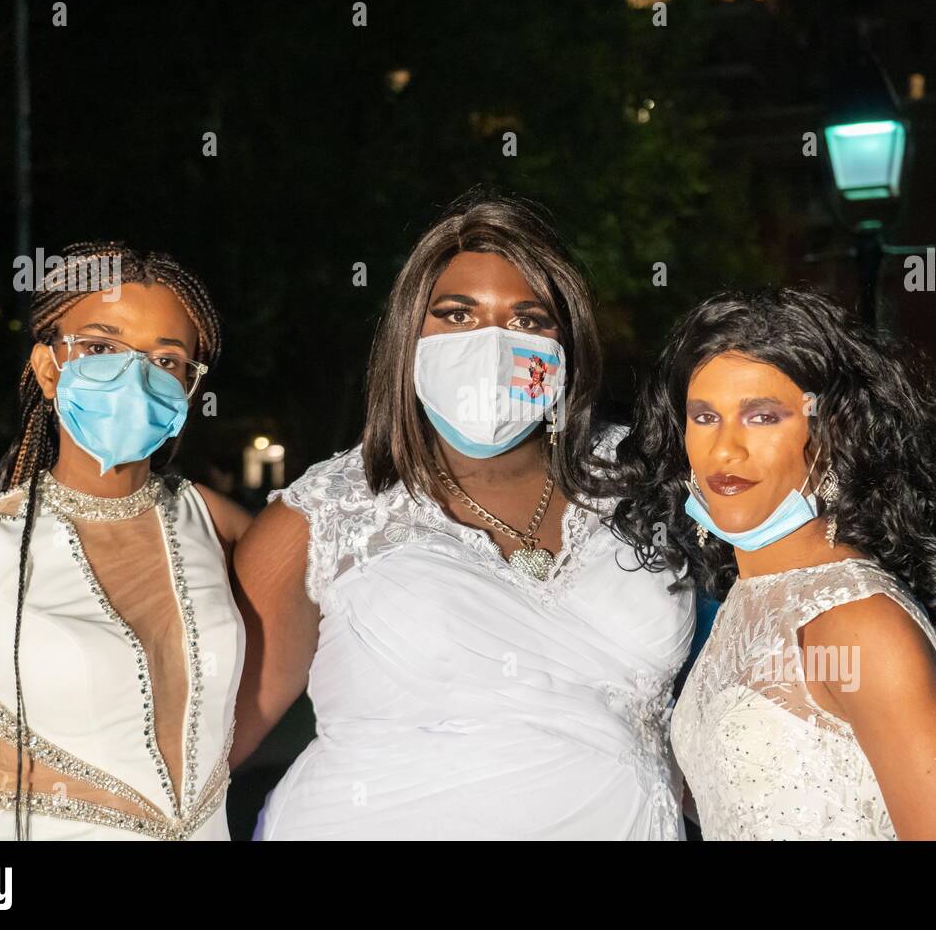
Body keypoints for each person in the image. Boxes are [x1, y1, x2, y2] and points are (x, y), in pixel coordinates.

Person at [231, 189, 695, 839]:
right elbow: (199, 752)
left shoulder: (651, 479)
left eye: (529, 318)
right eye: (457, 314)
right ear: (407, 337)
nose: (494, 343)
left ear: (569, 344)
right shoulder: (326, 512)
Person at [0, 243, 251, 840]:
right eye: (100, 347)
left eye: (166, 360)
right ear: (49, 369)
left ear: (190, 386)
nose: (134, 375)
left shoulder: (219, 526)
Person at [609, 286, 936, 839]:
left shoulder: (861, 622)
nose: (726, 449)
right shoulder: (747, 597)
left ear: (833, 436)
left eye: (763, 417)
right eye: (705, 416)